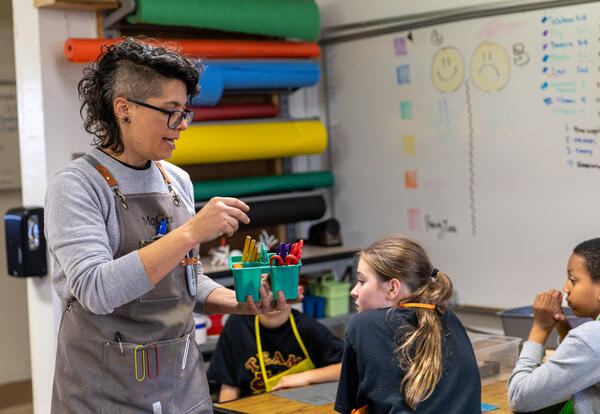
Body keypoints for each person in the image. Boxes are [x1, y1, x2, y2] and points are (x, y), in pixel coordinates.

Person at [45, 38, 297, 414]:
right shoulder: (77, 186)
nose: (181, 125)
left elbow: (185, 281)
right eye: (170, 111)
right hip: (104, 397)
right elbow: (95, 290)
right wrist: (191, 232)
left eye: (184, 112)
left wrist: (240, 303)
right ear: (124, 109)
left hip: (183, 391)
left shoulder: (175, 181)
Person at [334, 234, 481, 414]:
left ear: (392, 288)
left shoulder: (364, 325)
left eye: (362, 281)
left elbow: (347, 406)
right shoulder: (448, 317)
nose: (354, 291)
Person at [508, 238, 600, 413]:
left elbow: (519, 397)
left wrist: (540, 329)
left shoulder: (593, 336)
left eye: (573, 280)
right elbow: (585, 365)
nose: (565, 288)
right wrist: (563, 327)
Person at [207, 303, 344, 402]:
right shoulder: (237, 325)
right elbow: (229, 386)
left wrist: (306, 376)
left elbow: (349, 365)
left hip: (299, 405)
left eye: (279, 291)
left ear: (296, 293)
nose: (271, 299)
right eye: (266, 290)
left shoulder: (308, 328)